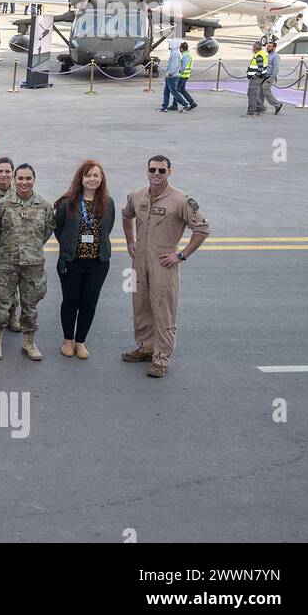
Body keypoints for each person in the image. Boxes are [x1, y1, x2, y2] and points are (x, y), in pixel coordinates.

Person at [120, 155, 211, 377]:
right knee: (140, 306)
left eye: (162, 170)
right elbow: (126, 215)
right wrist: (130, 241)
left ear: (170, 172)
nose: (156, 174)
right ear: (147, 171)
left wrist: (181, 255)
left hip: (163, 261)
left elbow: (202, 229)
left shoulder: (181, 200)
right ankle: (145, 347)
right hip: (139, 260)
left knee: (163, 311)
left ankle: (161, 358)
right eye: (153, 170)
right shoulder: (137, 195)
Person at [0, 164, 53, 361]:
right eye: (21, 178)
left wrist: (30, 248)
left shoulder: (44, 206)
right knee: (2, 303)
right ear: (15, 180)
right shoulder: (3, 204)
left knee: (30, 304)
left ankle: (29, 341)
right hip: (6, 263)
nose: (24, 182)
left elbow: (47, 231)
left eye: (28, 178)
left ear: (34, 179)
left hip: (32, 264)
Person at [53, 160, 114, 360]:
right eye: (88, 175)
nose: (92, 179)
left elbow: (108, 228)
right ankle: (68, 340)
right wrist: (68, 249)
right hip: (72, 262)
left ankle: (80, 342)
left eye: (96, 175)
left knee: (89, 303)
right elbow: (59, 229)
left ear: (102, 178)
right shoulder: (67, 202)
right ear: (81, 178)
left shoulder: (108, 202)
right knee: (70, 301)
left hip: (98, 263)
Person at [159, 41, 191, 112]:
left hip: (172, 76)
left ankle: (185, 104)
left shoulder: (174, 54)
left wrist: (170, 73)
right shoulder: (174, 53)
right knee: (166, 92)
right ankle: (164, 106)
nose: (169, 45)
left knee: (174, 92)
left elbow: (174, 65)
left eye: (170, 43)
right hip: (171, 76)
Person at [245, 42, 269, 117]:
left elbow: (260, 68)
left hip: (256, 78)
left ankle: (252, 111)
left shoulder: (259, 56)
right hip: (260, 77)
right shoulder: (262, 53)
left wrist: (254, 76)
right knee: (252, 93)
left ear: (255, 48)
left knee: (252, 94)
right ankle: (260, 107)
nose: (252, 48)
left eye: (253, 47)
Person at [261, 38, 283, 114]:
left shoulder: (275, 56)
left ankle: (278, 104)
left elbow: (276, 68)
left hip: (269, 77)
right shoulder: (268, 55)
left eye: (269, 47)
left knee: (265, 90)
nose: (267, 48)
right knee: (260, 91)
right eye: (267, 47)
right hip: (264, 76)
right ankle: (260, 106)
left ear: (274, 47)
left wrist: (272, 77)